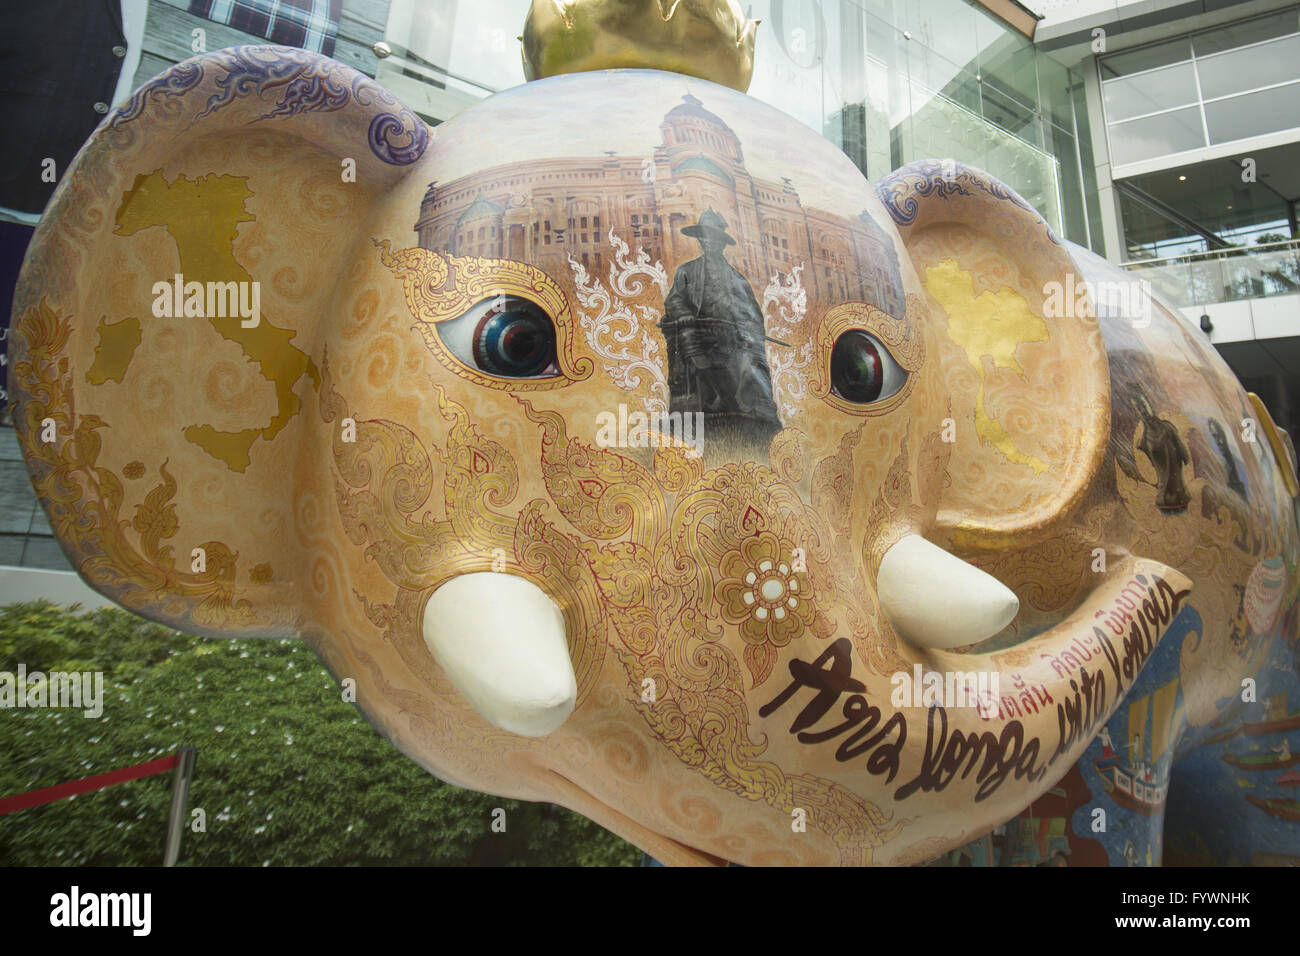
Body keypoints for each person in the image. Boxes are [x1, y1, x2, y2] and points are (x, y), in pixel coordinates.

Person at [659, 208, 782, 445]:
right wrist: (684, 314)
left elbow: (753, 317)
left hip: (730, 344)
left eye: (714, 237)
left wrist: (746, 334)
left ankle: (758, 425)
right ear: (700, 240)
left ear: (722, 243)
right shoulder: (686, 272)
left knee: (748, 374)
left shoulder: (738, 280)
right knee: (695, 361)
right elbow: (674, 299)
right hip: (698, 338)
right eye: (705, 236)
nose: (709, 242)